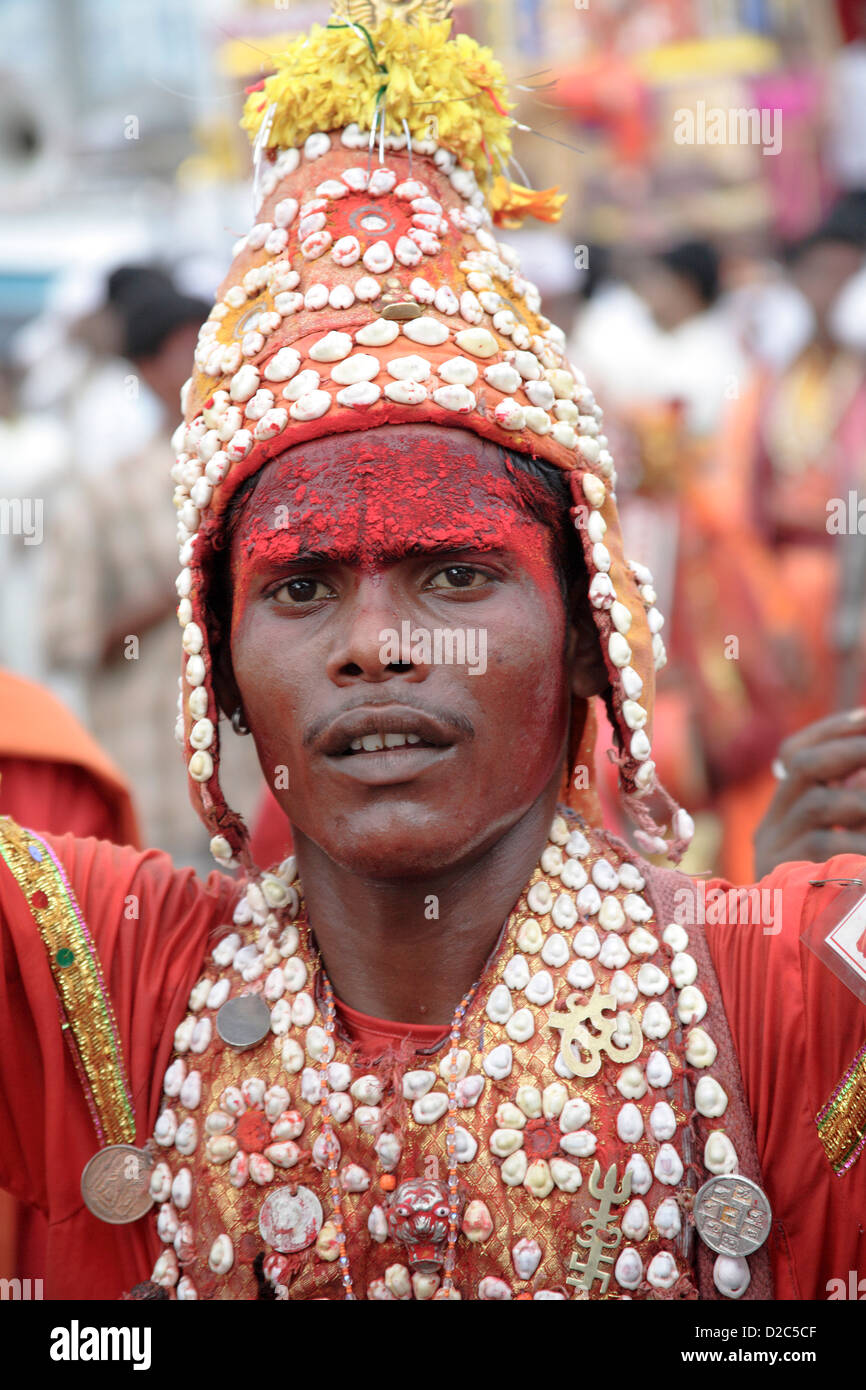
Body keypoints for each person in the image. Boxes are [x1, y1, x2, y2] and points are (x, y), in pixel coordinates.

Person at [0, 3, 864, 1303]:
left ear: (585, 637)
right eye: (298, 586)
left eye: (455, 574)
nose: (375, 645)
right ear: (222, 674)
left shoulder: (783, 985)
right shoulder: (106, 992)